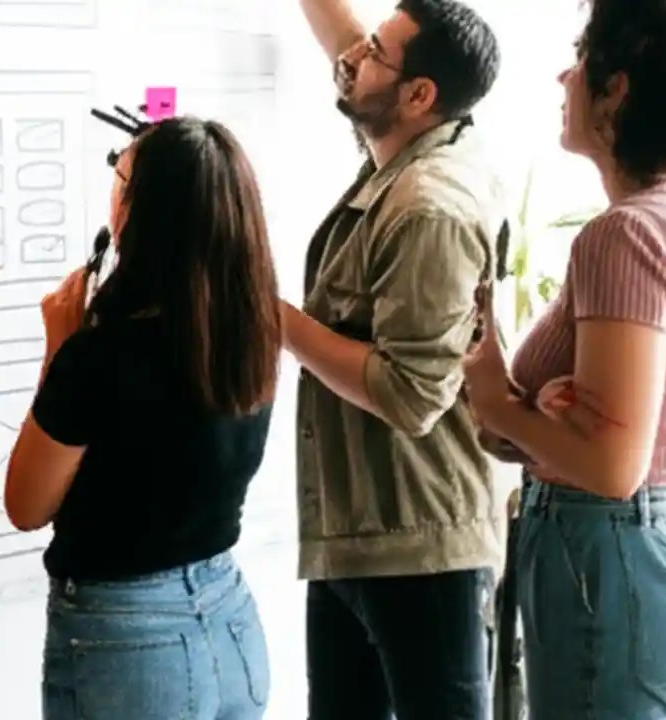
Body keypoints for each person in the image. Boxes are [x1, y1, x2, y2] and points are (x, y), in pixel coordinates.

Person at [462, 0, 666, 717]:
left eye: (579, 57)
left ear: (615, 88)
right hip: (637, 559)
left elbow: (613, 466)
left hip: (607, 569)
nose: (564, 76)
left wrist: (501, 400)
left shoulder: (625, 236)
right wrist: (531, 415)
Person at [2, 116, 282, 720]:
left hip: (130, 644)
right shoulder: (250, 338)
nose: (113, 190)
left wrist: (59, 346)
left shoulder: (99, 357)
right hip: (230, 620)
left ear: (141, 211)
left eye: (120, 176)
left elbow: (26, 506)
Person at [283, 0, 506, 717]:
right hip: (358, 539)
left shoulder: (428, 208)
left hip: (421, 555)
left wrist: (277, 320)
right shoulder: (404, 140)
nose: (353, 60)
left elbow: (411, 397)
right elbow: (346, 42)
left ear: (419, 96)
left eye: (376, 53)